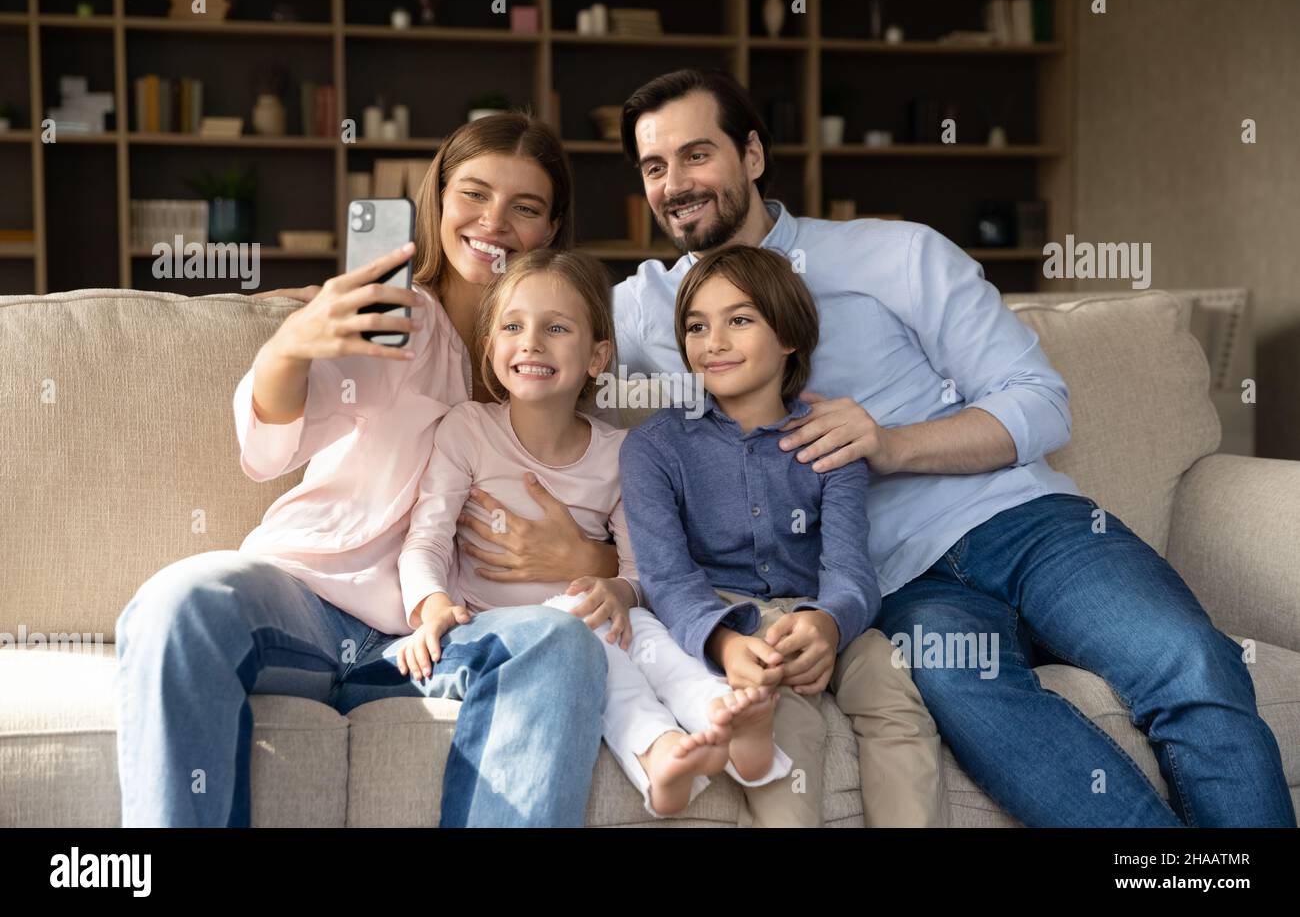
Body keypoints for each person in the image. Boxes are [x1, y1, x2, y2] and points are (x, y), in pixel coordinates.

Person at [613, 67, 1295, 827]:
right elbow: (527, 329)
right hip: (902, 585)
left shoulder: (896, 254)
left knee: (1188, 661)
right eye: (654, 166)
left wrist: (890, 444)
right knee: (978, 703)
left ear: (752, 155)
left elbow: (1039, 402)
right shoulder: (652, 307)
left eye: (696, 154)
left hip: (1028, 525)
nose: (676, 183)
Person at [115, 113, 618, 827]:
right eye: (472, 195)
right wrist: (291, 345)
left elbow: (637, 533)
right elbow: (267, 450)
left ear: (551, 228)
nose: (493, 223)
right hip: (307, 604)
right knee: (178, 601)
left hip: (451, 635)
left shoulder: (557, 356)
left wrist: (589, 558)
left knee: (562, 645)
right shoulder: (397, 320)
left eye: (525, 208)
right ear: (437, 202)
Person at [399, 247, 792, 818]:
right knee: (589, 642)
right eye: (513, 326)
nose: (531, 342)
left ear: (597, 357)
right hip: (500, 633)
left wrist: (620, 592)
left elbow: (642, 568)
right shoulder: (467, 430)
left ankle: (726, 717)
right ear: (490, 347)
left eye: (556, 328)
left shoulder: (619, 452)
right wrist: (432, 605)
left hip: (591, 615)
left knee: (647, 634)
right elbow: (427, 538)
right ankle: (658, 751)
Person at [620, 244, 944, 827]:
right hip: (730, 617)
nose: (714, 341)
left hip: (825, 617)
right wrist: (724, 644)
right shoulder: (653, 448)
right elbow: (666, 578)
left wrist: (829, 620)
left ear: (789, 336)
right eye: (697, 326)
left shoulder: (829, 439)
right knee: (786, 714)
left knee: (892, 690)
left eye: (739, 320)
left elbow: (849, 565)